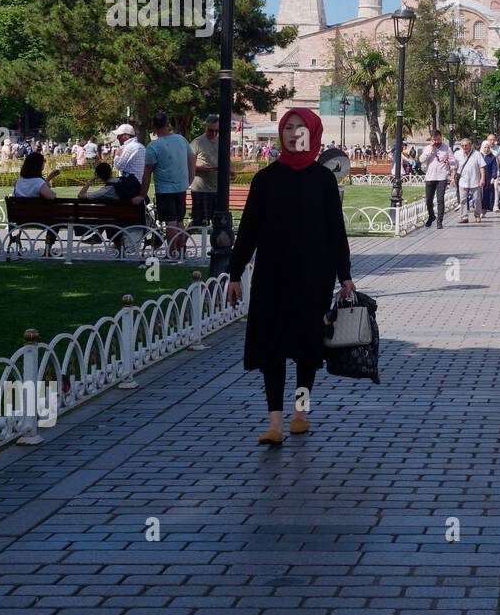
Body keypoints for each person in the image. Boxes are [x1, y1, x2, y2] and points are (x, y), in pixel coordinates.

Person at [226, 108, 353, 446]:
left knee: (307, 349)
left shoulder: (323, 179)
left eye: (301, 128)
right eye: (289, 127)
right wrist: (235, 273)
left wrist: (345, 275)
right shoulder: (265, 179)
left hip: (313, 277)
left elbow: (335, 231)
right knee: (272, 349)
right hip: (272, 276)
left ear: (313, 134)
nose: (294, 133)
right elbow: (249, 230)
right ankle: (274, 423)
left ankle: (300, 412)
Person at [141, 112, 195, 260]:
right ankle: (180, 250)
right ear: (167, 124)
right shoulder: (181, 140)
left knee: (170, 222)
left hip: (164, 190)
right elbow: (191, 159)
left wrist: (142, 194)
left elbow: (147, 173)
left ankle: (171, 253)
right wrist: (190, 179)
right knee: (179, 220)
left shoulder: (153, 146)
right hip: (181, 187)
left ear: (154, 127)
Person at [421, 129, 453, 228]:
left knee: (440, 199)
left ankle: (440, 221)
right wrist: (430, 150)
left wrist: (449, 162)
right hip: (430, 176)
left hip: (442, 176)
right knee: (428, 200)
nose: (436, 142)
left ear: (441, 137)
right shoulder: (427, 148)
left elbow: (454, 161)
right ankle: (431, 216)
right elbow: (421, 160)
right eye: (434, 140)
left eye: (438, 139)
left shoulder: (447, 148)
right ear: (432, 139)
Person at [454, 136, 485, 224]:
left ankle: (477, 215)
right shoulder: (457, 154)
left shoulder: (477, 154)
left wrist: (482, 178)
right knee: (463, 199)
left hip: (475, 179)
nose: (464, 147)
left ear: (470, 145)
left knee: (477, 198)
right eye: (463, 145)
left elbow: (482, 167)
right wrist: (454, 175)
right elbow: (455, 166)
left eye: (466, 145)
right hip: (463, 180)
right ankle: (464, 217)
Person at [112, 123, 147, 195]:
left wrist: (117, 155)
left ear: (126, 136)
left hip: (131, 186)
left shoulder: (129, 147)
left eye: (119, 135)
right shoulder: (141, 146)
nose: (117, 137)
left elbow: (118, 166)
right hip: (140, 184)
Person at [480, 139, 498, 216]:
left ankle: (483, 210)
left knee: (486, 195)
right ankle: (478, 209)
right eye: (485, 147)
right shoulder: (478, 155)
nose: (486, 149)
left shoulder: (492, 157)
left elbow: (494, 168)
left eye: (488, 147)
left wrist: (493, 177)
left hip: (488, 179)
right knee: (478, 195)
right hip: (478, 178)